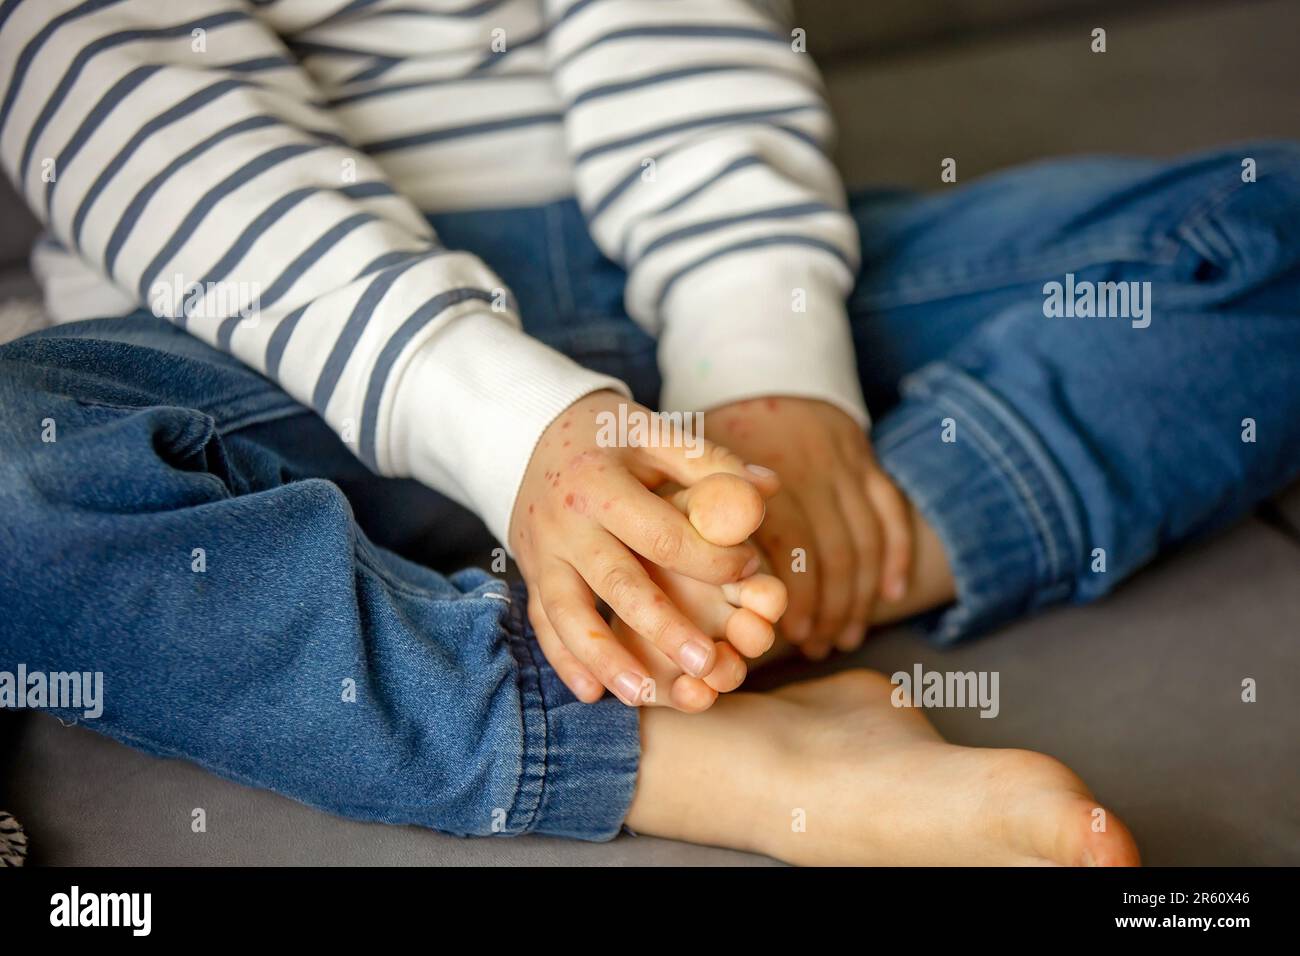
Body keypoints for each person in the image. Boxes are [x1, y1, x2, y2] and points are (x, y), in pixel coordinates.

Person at [2, 0, 1297, 865]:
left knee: (1268, 225)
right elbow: (135, 107)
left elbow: (682, 44)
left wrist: (769, 360)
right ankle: (688, 749)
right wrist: (505, 420)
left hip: (649, 253)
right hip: (256, 331)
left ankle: (769, 567)